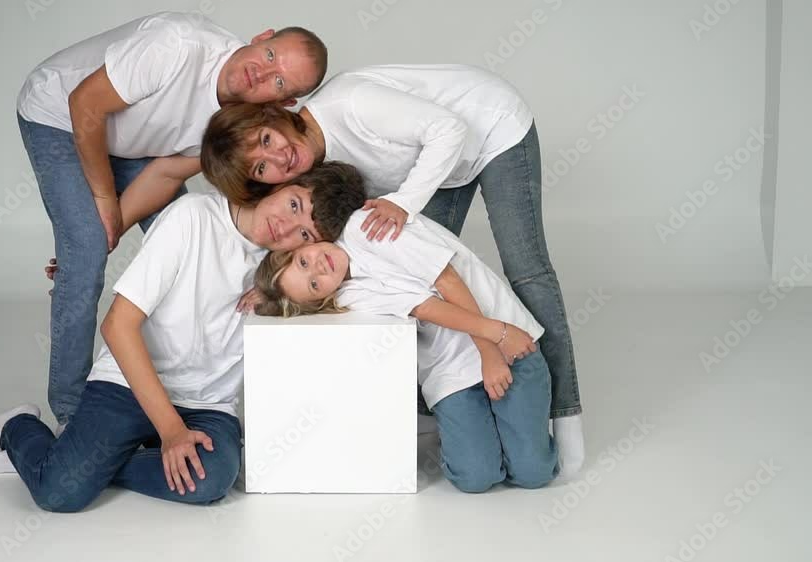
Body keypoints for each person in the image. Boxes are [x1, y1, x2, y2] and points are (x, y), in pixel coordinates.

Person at [201, 64, 584, 472]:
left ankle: (564, 411)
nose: (277, 157)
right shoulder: (307, 176)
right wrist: (273, 286)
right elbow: (304, 233)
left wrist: (403, 204)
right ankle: (456, 406)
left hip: (488, 129)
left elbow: (448, 129)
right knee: (416, 281)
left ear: (276, 115)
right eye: (262, 168)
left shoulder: (351, 103)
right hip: (438, 168)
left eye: (266, 139)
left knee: (526, 268)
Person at [0, 163, 366, 510]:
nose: (287, 228)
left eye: (306, 235)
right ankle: (18, 428)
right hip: (129, 383)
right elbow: (118, 325)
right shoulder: (192, 217)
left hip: (206, 403)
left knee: (213, 480)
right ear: (279, 183)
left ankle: (80, 458)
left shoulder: (293, 270)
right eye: (294, 204)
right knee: (60, 493)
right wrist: (172, 432)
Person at [16, 11, 327, 428]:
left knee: (189, 237)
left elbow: (164, 172)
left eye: (279, 81)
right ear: (262, 36)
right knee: (86, 251)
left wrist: (97, 238)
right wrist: (90, 236)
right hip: (60, 114)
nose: (261, 73)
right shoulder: (178, 46)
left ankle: (179, 392)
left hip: (137, 146)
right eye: (270, 54)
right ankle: (72, 413)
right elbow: (84, 103)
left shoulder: (238, 126)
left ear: (284, 101)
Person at [251, 202, 559, 490]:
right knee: (475, 478)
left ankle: (512, 430)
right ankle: (487, 430)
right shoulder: (347, 294)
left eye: (304, 260)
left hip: (505, 342)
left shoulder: (363, 227)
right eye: (314, 285)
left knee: (534, 473)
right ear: (320, 299)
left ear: (303, 244)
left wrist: (494, 345)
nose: (318, 268)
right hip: (451, 369)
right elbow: (426, 308)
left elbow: (447, 281)